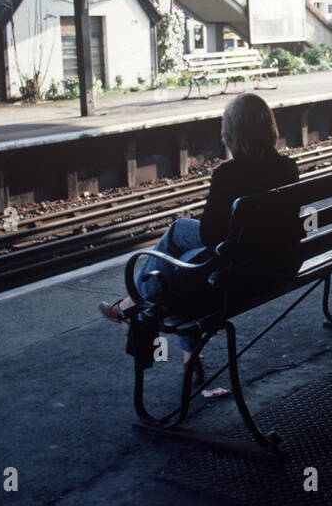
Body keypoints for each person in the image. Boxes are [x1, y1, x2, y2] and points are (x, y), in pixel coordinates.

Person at [99, 93, 303, 384]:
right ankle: (185, 352)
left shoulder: (227, 175)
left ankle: (134, 304)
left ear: (231, 133)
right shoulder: (287, 167)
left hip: (237, 277)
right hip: (277, 267)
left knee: (176, 244)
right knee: (181, 262)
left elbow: (211, 235)